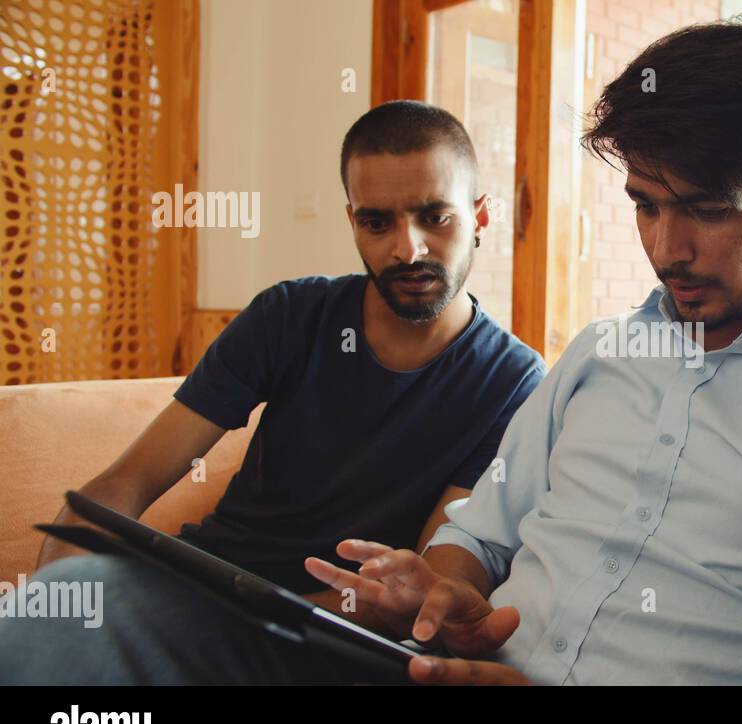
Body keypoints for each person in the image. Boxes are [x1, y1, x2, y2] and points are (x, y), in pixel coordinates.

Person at [307, 18, 742, 685]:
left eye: (707, 209)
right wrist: (443, 588)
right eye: (645, 205)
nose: (668, 248)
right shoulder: (599, 354)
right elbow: (478, 535)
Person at [0, 101, 545, 684]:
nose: (406, 249)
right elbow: (126, 484)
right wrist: (55, 594)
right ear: (352, 220)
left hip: (337, 634)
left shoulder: (512, 381)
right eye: (377, 222)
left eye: (435, 217)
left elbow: (433, 576)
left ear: (481, 217)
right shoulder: (288, 316)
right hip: (208, 588)